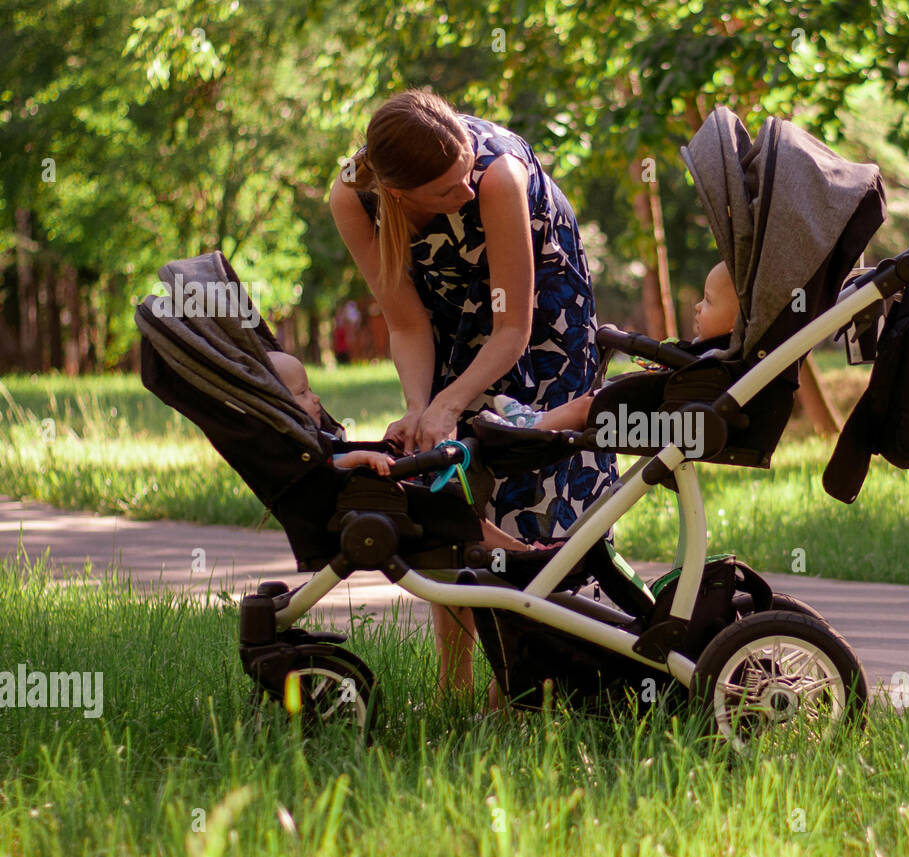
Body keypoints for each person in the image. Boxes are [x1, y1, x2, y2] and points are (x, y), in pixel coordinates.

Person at [328, 88, 617, 698]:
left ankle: (527, 681)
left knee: (531, 479)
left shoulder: (495, 175)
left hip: (540, 322)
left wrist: (452, 404)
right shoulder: (354, 199)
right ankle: (454, 685)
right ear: (401, 195)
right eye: (446, 190)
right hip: (447, 318)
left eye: (465, 173)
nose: (463, 190)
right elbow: (406, 324)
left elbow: (513, 328)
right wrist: (422, 407)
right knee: (450, 493)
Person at [266, 350, 530, 555]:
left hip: (368, 497)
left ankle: (517, 550)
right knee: (451, 507)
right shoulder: (296, 447)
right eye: (302, 392)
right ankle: (518, 553)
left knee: (457, 503)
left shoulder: (309, 438)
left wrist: (384, 448)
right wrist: (361, 458)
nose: (316, 398)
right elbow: (323, 470)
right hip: (361, 506)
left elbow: (331, 457)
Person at [487, 260, 741, 432]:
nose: (698, 306)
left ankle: (532, 426)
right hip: (657, 407)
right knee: (588, 400)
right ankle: (534, 419)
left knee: (586, 406)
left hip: (657, 415)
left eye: (707, 301)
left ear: (735, 325)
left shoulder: (717, 360)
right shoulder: (713, 354)